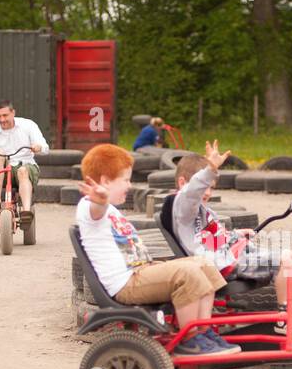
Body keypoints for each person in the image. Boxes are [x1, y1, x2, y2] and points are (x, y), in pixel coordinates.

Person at [76, 144, 239, 356]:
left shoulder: (113, 210)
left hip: (141, 272)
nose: (130, 185)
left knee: (203, 263)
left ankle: (203, 331)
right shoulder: (89, 206)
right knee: (186, 273)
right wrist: (100, 200)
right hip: (125, 283)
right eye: (125, 180)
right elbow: (95, 212)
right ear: (106, 181)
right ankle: (189, 339)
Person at [173, 141, 292, 338]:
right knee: (284, 260)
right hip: (218, 268)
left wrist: (236, 234)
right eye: (204, 187)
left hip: (227, 259)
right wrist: (211, 168)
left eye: (211, 187)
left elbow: (214, 238)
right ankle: (284, 320)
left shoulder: (202, 211)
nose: (208, 192)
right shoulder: (183, 207)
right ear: (184, 183)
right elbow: (191, 195)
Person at [0, 100, 47, 221]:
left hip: (26, 166)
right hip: (3, 171)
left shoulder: (28, 125)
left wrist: (39, 147)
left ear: (13, 113)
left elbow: (45, 148)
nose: (2, 120)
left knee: (22, 171)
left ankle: (26, 212)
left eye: (5, 115)